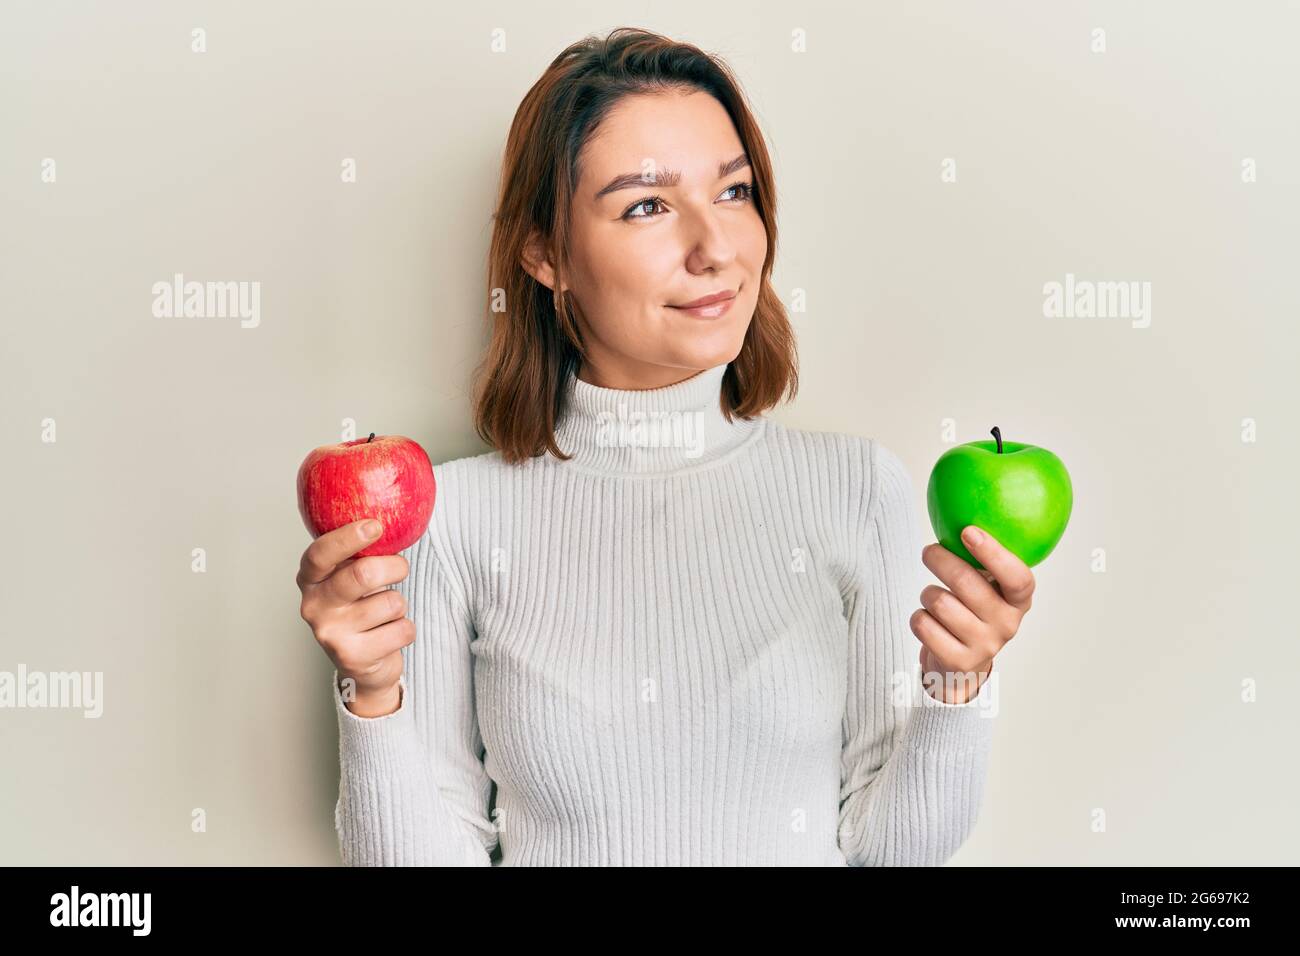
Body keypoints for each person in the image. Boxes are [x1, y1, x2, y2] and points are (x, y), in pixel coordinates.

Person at [296, 27, 1035, 866]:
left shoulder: (858, 490)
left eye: (734, 191)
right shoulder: (456, 516)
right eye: (646, 205)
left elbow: (889, 854)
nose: (717, 248)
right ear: (544, 253)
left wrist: (956, 686)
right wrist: (374, 695)